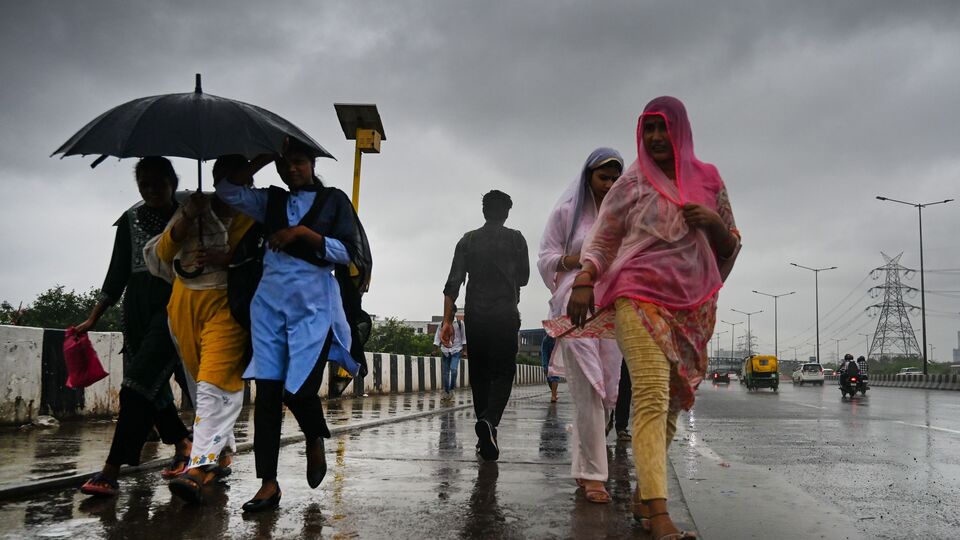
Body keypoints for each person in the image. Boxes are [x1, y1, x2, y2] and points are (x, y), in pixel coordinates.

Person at [567, 96, 740, 539]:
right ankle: (661, 515)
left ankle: (646, 498)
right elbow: (604, 241)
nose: (657, 137)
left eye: (664, 128)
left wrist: (712, 224)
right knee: (649, 394)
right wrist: (586, 278)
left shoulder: (708, 179)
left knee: (672, 403)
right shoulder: (630, 184)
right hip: (636, 294)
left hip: (692, 307)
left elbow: (730, 243)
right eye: (649, 129)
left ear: (680, 131)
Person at [215, 139, 368, 512]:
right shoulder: (271, 201)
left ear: (312, 163)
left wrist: (303, 235)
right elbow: (227, 190)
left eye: (298, 162)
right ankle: (268, 484)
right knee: (266, 394)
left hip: (313, 306)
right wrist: (262, 157)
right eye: (284, 165)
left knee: (298, 391)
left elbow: (349, 251)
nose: (291, 170)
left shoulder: (333, 200)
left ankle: (314, 435)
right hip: (267, 305)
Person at [75, 157, 192, 497]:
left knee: (135, 387)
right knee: (152, 391)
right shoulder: (129, 219)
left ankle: (112, 469)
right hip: (136, 313)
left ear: (173, 182)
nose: (152, 190)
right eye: (145, 184)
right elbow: (117, 272)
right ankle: (183, 442)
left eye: (159, 183)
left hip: (173, 310)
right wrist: (95, 315)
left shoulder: (189, 217)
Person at [157, 156, 257, 503]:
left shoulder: (255, 214)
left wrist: (227, 260)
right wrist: (187, 218)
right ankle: (223, 451)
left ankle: (198, 467)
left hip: (227, 307)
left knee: (215, 383)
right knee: (199, 383)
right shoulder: (192, 205)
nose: (233, 188)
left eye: (241, 181)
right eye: (226, 181)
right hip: (183, 306)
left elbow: (261, 260)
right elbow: (162, 251)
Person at [538, 148, 624, 503]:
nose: (610, 184)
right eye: (604, 177)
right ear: (588, 176)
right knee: (589, 384)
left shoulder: (623, 216)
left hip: (613, 306)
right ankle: (593, 476)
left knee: (606, 388)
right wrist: (581, 262)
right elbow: (546, 258)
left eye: (616, 178)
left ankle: (584, 465)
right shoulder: (565, 214)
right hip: (574, 304)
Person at [441, 190, 529, 462]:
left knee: (478, 373)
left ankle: (484, 429)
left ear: (484, 212)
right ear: (506, 213)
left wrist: (446, 321)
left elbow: (452, 284)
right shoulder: (516, 239)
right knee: (503, 372)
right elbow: (524, 278)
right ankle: (489, 422)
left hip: (475, 317)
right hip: (505, 316)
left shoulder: (467, 240)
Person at [433, 307, 466, 403]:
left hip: (456, 350)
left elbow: (464, 338)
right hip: (445, 351)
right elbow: (437, 338)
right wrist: (435, 350)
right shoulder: (442, 324)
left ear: (454, 312)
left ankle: (451, 390)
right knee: (445, 373)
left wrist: (464, 351)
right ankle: (446, 391)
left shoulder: (460, 324)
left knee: (454, 370)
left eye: (451, 311)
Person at [539, 335, 561, 402]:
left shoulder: (559, 339)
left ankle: (553, 395)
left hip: (556, 358)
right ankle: (554, 393)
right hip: (550, 359)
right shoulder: (546, 340)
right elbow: (544, 353)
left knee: (554, 376)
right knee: (550, 377)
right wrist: (545, 365)